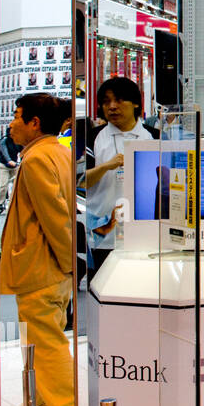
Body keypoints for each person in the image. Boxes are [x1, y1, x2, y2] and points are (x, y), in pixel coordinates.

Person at [0, 93, 76, 406]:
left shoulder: (36, 159)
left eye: (17, 117)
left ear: (34, 123)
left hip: (41, 270)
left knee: (47, 347)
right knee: (40, 343)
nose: (11, 123)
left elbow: (56, 218)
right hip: (49, 270)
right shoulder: (58, 151)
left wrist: (65, 263)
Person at [83, 77, 159, 275]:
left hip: (148, 234)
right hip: (102, 235)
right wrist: (106, 166)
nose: (112, 107)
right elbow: (81, 182)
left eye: (118, 100)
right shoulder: (92, 138)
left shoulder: (156, 136)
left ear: (135, 103)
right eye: (106, 102)